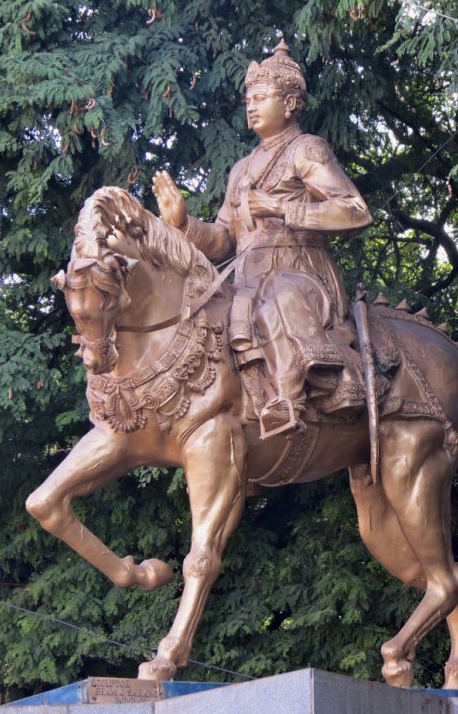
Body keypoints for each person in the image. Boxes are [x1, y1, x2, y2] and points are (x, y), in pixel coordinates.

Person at [154, 40, 372, 437]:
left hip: (302, 275)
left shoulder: (307, 150)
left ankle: (299, 396)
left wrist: (281, 208)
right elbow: (223, 241)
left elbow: (355, 211)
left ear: (290, 104)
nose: (251, 106)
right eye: (248, 99)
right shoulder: (241, 169)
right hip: (248, 279)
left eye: (261, 97)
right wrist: (185, 224)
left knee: (279, 296)